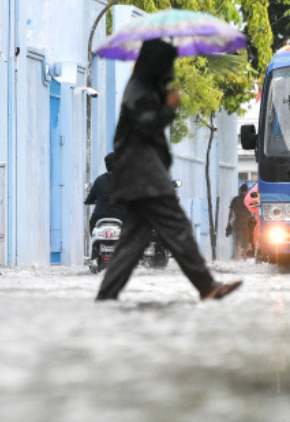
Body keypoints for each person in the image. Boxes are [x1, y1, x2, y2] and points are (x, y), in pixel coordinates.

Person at [97, 39, 241, 301]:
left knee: (132, 242)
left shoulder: (143, 88)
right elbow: (146, 127)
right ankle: (207, 286)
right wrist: (169, 107)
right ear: (156, 64)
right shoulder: (139, 90)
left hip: (139, 176)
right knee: (178, 227)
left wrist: (163, 101)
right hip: (145, 176)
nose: (170, 70)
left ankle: (106, 297)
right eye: (167, 64)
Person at [85, 153, 127, 232]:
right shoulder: (125, 180)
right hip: (121, 216)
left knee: (92, 223)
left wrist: (88, 201)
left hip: (100, 216)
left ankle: (96, 244)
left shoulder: (100, 180)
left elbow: (90, 199)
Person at [226, 183, 252, 259]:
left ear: (240, 190)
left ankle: (239, 253)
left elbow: (231, 211)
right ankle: (244, 254)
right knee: (246, 239)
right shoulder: (249, 200)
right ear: (247, 191)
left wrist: (228, 221)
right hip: (247, 222)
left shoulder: (235, 199)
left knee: (238, 238)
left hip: (238, 221)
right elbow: (255, 210)